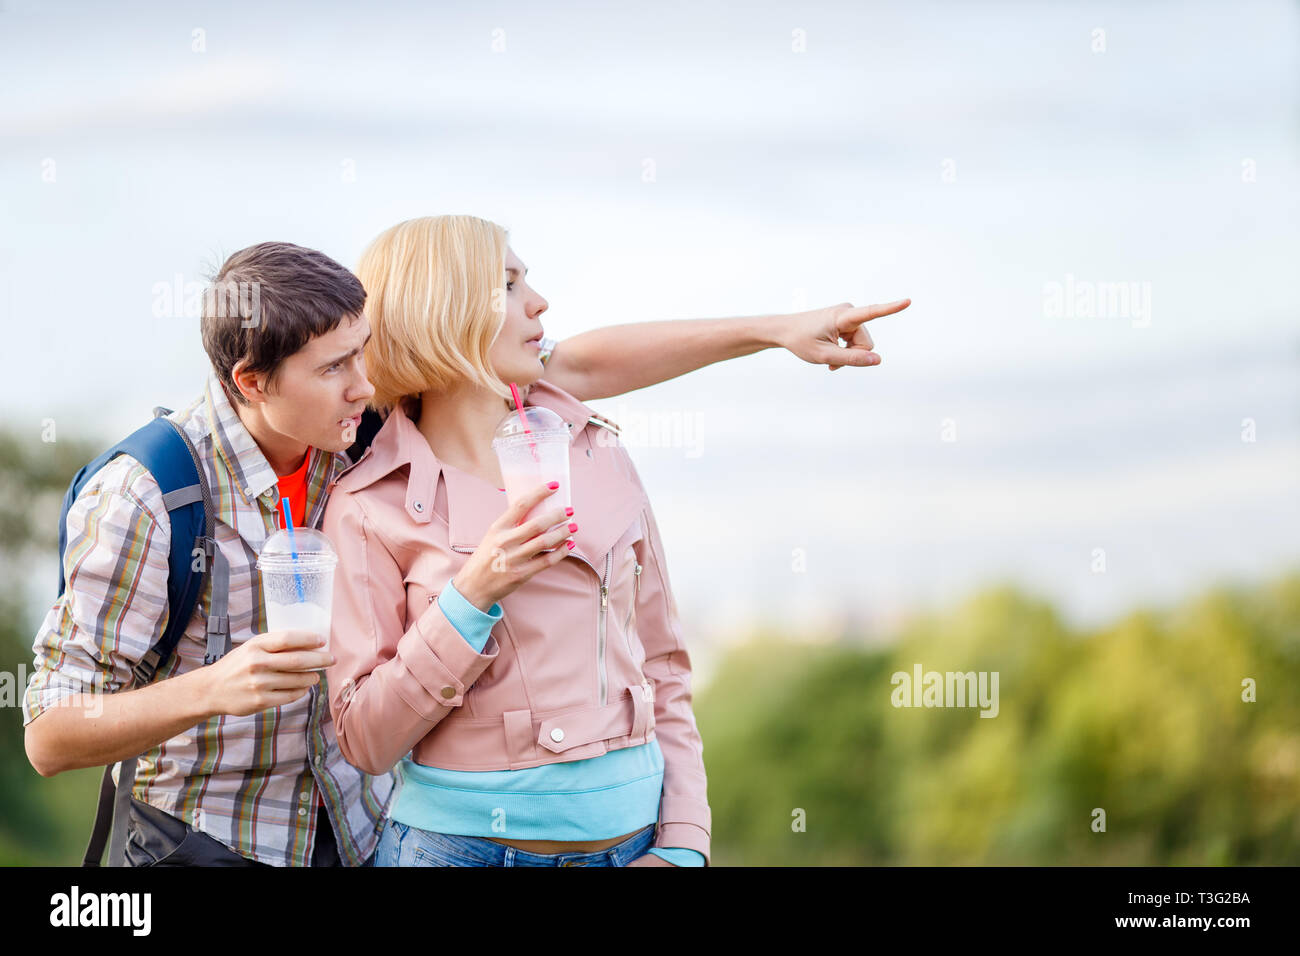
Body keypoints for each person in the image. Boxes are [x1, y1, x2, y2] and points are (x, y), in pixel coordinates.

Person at [23, 236, 907, 867]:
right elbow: (51, 734)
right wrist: (217, 688)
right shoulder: (151, 494)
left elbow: (584, 364)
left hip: (363, 839)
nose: (368, 387)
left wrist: (773, 330)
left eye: (365, 355)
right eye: (337, 368)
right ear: (252, 383)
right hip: (217, 846)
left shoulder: (358, 425)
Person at [324, 215, 903, 867]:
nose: (539, 302)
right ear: (445, 311)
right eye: (509, 284)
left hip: (635, 849)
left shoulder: (597, 454)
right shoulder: (368, 505)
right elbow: (366, 740)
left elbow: (665, 666)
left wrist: (685, 842)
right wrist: (471, 594)